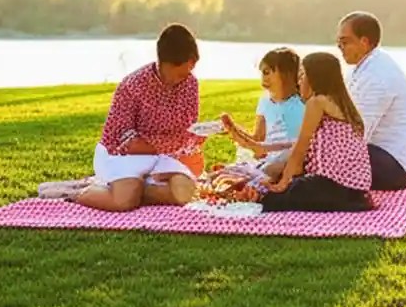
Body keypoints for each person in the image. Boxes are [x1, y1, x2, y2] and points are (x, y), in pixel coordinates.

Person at [70, 23, 206, 211]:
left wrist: (197, 137)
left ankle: (137, 187)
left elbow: (188, 129)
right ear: (163, 62)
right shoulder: (133, 86)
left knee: (186, 192)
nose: (185, 78)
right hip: (122, 155)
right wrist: (174, 142)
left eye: (189, 72)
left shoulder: (190, 84)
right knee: (124, 202)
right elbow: (127, 141)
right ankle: (77, 192)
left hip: (161, 156)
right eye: (181, 73)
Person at [260, 52, 372, 212]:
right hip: (357, 192)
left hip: (335, 187)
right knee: (288, 181)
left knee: (272, 199)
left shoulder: (317, 102)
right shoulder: (342, 104)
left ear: (315, 77)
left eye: (302, 76)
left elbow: (301, 145)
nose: (299, 83)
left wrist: (283, 183)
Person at [336, 12, 406, 190]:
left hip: (392, 166)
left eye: (345, 42)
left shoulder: (377, 76)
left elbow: (358, 133)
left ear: (364, 42)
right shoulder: (363, 67)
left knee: (320, 160)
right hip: (375, 154)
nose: (340, 47)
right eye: (339, 43)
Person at [218, 47, 305, 181]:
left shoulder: (301, 103)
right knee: (221, 174)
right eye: (262, 73)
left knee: (273, 166)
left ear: (286, 74)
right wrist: (233, 129)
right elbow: (258, 140)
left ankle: (251, 181)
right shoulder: (265, 101)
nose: (263, 78)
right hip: (268, 157)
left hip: (291, 158)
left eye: (267, 72)